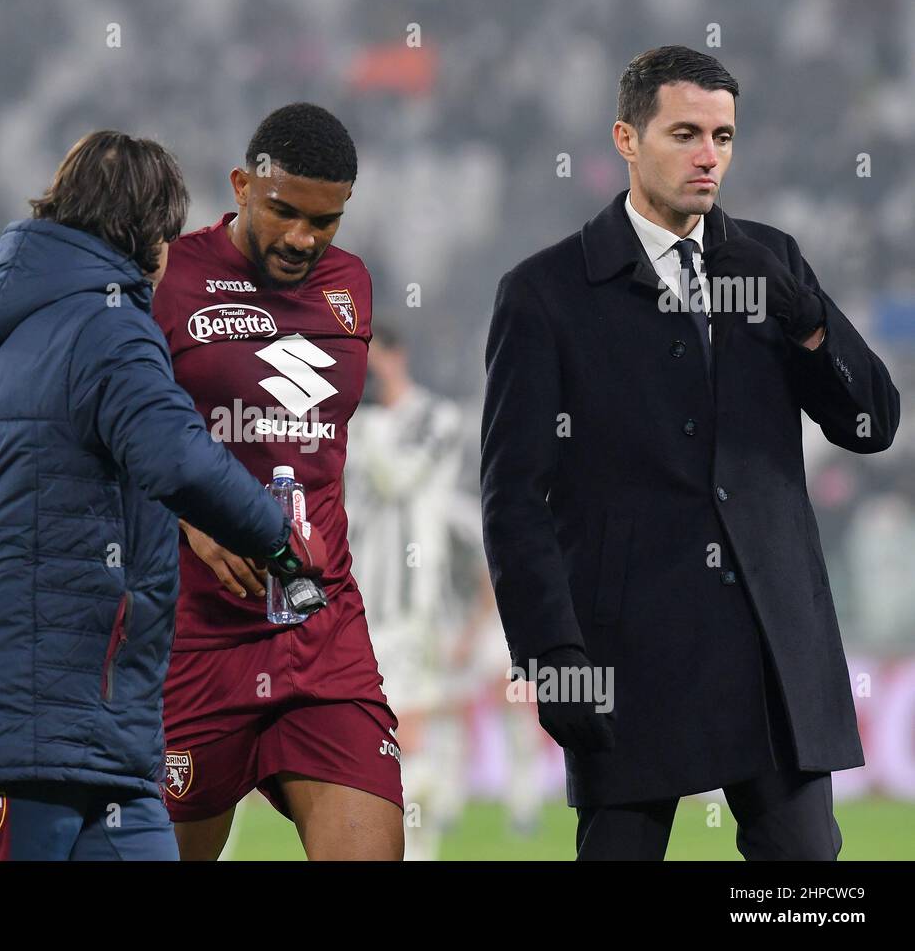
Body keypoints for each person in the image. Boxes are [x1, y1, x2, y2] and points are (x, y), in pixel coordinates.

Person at [480, 46, 900, 860]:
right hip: (629, 657)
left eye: (724, 136)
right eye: (685, 133)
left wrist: (809, 319)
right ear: (626, 139)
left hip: (772, 647)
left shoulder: (771, 261)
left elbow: (871, 423)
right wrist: (551, 653)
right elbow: (511, 496)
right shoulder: (547, 292)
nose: (709, 156)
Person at [0, 130, 326, 861]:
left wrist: (12, 617)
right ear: (149, 234)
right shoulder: (112, 329)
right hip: (25, 742)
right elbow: (179, 459)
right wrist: (279, 540)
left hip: (102, 740)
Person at [152, 103, 404, 860]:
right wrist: (185, 515)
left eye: (323, 221)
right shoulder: (168, 275)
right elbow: (102, 433)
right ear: (240, 185)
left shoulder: (351, 285)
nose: (302, 238)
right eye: (283, 212)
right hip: (192, 639)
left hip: (319, 634)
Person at [345, 327, 480, 860]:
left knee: (408, 728)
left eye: (373, 359)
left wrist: (371, 422)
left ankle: (419, 850)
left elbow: (398, 478)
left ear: (396, 357)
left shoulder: (435, 418)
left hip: (411, 603)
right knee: (368, 738)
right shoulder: (354, 425)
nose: (367, 371)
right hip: (356, 602)